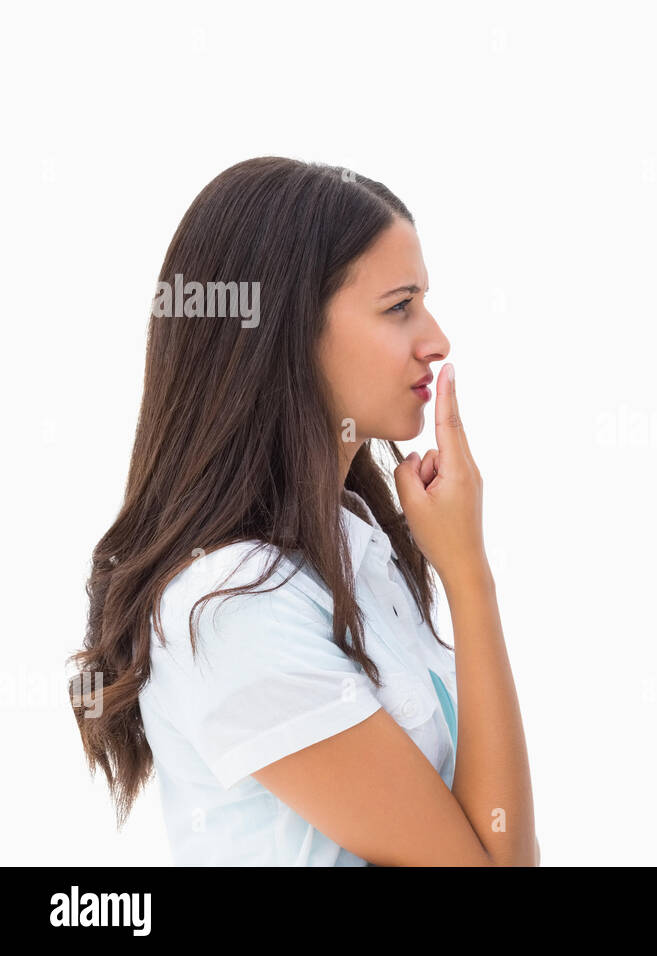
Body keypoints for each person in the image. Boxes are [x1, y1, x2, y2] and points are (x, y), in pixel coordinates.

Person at [68, 157, 538, 866]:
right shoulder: (231, 607)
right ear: (290, 331)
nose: (435, 340)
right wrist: (470, 575)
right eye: (399, 305)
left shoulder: (355, 547)